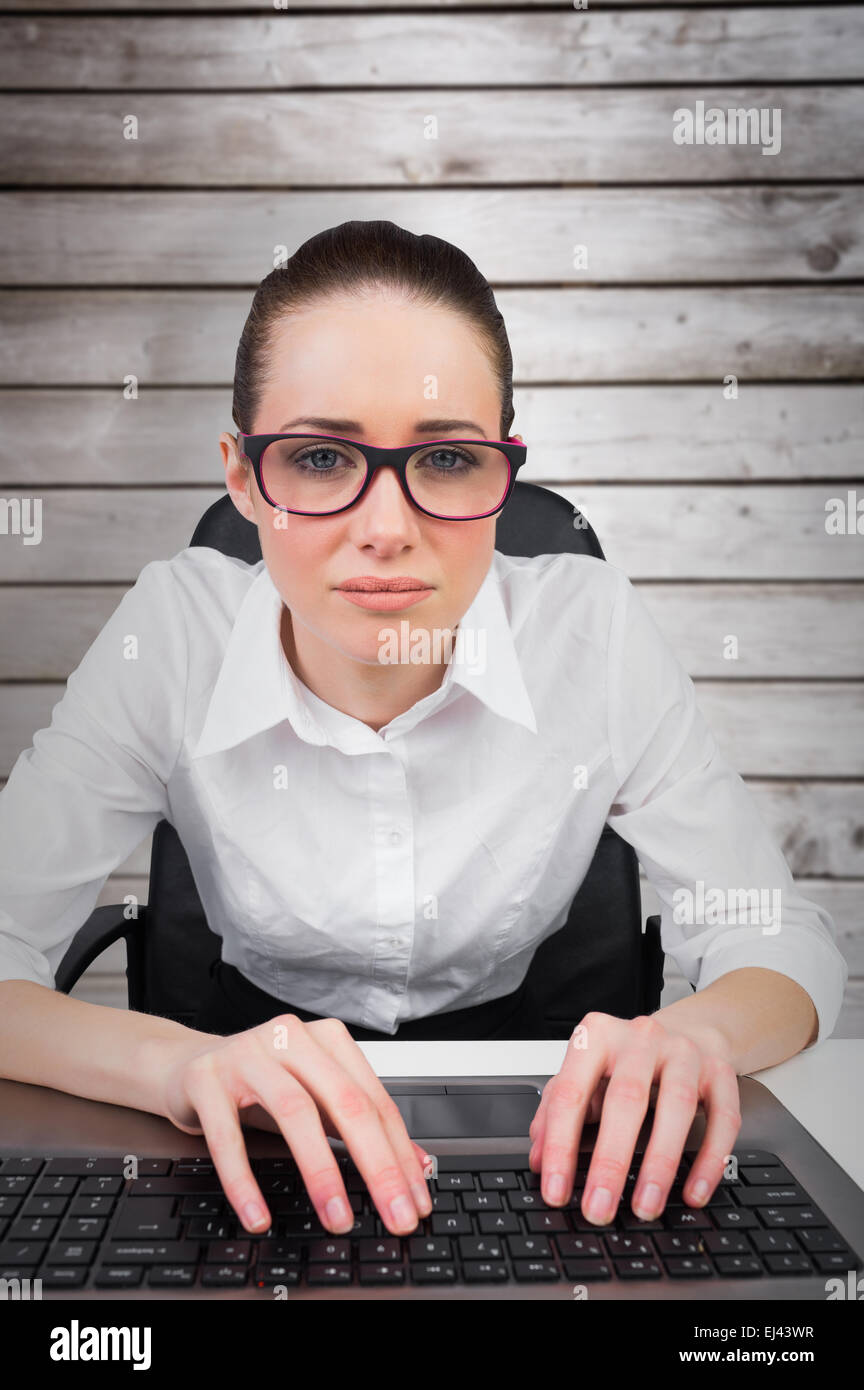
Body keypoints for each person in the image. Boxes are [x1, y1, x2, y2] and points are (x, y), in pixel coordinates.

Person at [0, 221, 847, 1247]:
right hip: (244, 1102)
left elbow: (777, 938)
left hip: (539, 1113)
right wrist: (172, 1065)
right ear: (240, 474)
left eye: (444, 457)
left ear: (504, 468)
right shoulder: (172, 635)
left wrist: (697, 1035)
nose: (387, 525)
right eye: (319, 456)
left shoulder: (594, 632)